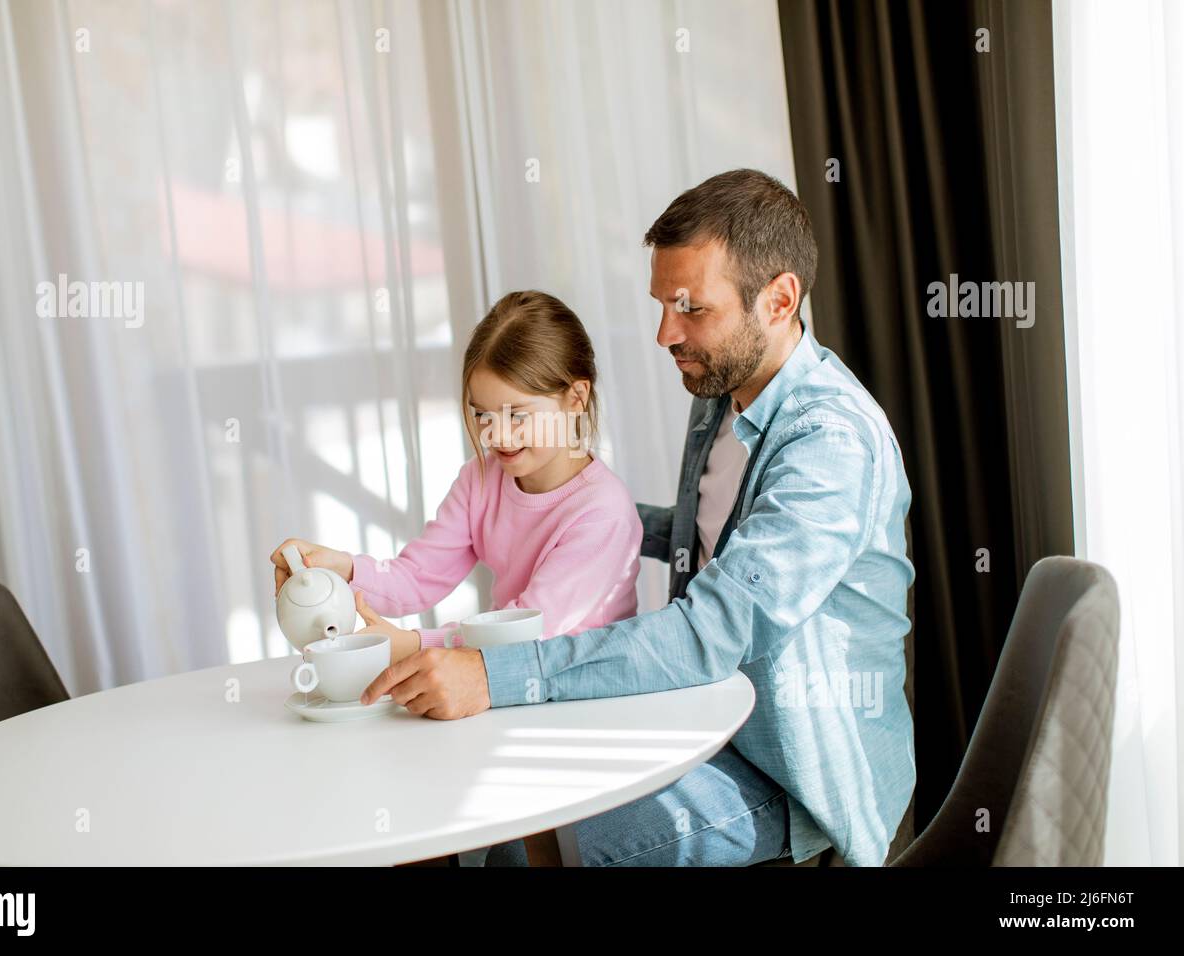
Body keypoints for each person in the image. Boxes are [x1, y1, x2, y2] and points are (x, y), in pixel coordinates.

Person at [360, 170, 916, 868]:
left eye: (690, 309)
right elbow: (709, 539)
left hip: (798, 774)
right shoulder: (722, 391)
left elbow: (706, 633)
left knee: (552, 821)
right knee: (483, 787)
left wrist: (489, 675)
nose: (664, 333)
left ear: (778, 300)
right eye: (661, 305)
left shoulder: (830, 445)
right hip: (712, 717)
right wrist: (574, 508)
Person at [270, 289, 642, 665]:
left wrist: (416, 644)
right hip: (505, 679)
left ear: (576, 398)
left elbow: (527, 631)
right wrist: (344, 569)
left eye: (517, 415)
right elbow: (416, 578)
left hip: (584, 690)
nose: (497, 435)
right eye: (483, 414)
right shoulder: (481, 480)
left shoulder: (601, 513)